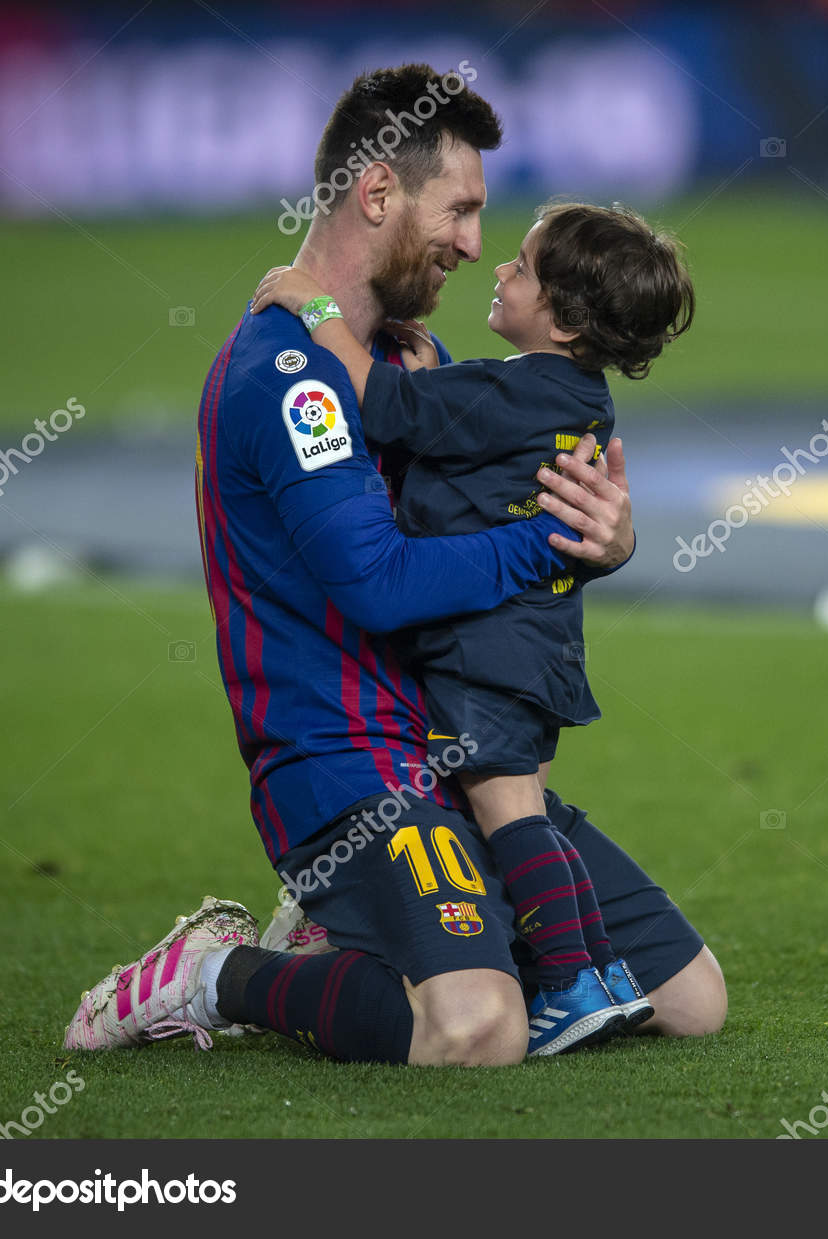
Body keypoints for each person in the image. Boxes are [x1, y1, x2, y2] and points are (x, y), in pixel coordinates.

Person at [62, 63, 724, 1067]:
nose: (472, 245)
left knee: (689, 1000)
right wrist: (549, 549)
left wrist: (605, 543)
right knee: (477, 1031)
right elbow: (378, 583)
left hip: (457, 748)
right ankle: (213, 971)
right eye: (458, 211)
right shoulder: (294, 377)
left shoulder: (410, 362)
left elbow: (508, 509)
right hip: (348, 765)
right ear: (377, 194)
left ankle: (353, 930)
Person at [248, 201, 694, 1054]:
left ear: (562, 317)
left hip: (482, 651)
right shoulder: (577, 396)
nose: (496, 266)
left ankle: (566, 978)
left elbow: (380, 406)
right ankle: (597, 969)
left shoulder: (516, 384)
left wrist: (312, 307)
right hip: (544, 649)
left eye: (520, 267)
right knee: (527, 809)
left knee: (510, 816)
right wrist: (434, 375)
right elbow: (468, 443)